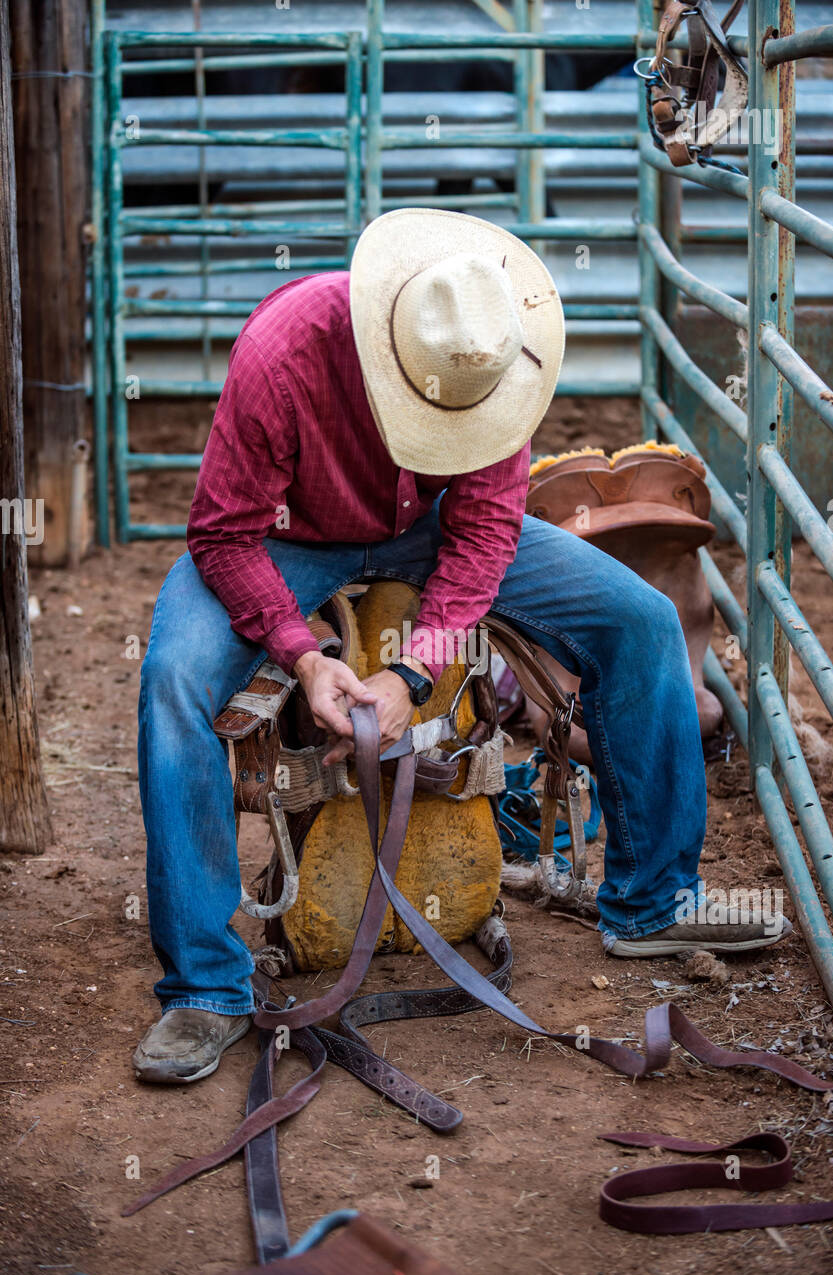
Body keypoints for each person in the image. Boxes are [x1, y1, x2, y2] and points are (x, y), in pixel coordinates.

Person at [133, 208, 789, 1085]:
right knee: (174, 676)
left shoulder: (493, 357)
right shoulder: (281, 354)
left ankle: (650, 902)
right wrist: (302, 653)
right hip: (288, 536)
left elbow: (482, 537)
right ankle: (205, 987)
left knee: (637, 619)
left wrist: (411, 669)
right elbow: (222, 534)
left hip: (434, 526)